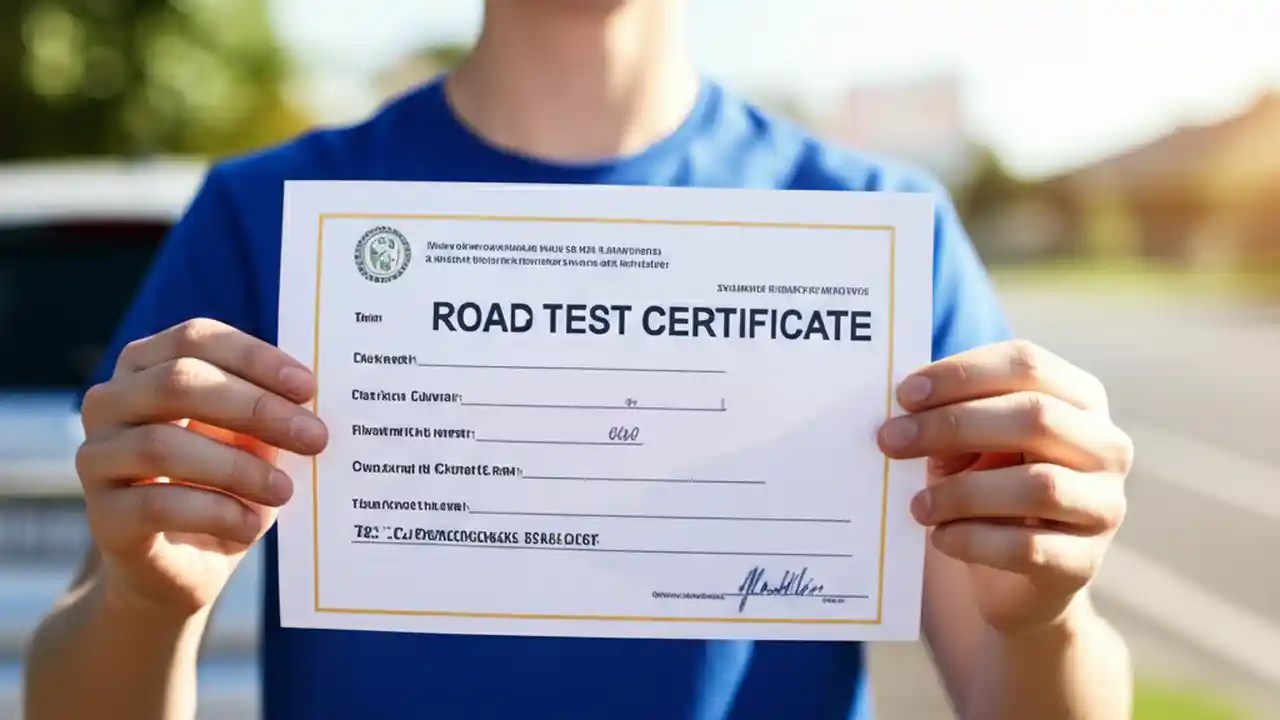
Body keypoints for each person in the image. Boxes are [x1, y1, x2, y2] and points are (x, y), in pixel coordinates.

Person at [24, 1, 1135, 718]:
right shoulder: (266, 218)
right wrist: (141, 602)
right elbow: (76, 685)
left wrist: (1044, 618)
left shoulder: (880, 233)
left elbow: (1013, 681)